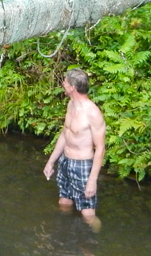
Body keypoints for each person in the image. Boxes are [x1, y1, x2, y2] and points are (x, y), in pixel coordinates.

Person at [43, 69, 106, 228]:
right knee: (64, 202)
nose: (62, 84)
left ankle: (94, 243)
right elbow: (65, 134)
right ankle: (65, 234)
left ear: (72, 87)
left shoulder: (92, 113)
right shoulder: (71, 104)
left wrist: (92, 181)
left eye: (64, 81)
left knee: (88, 214)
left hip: (82, 165)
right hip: (65, 161)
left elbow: (100, 149)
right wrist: (51, 162)